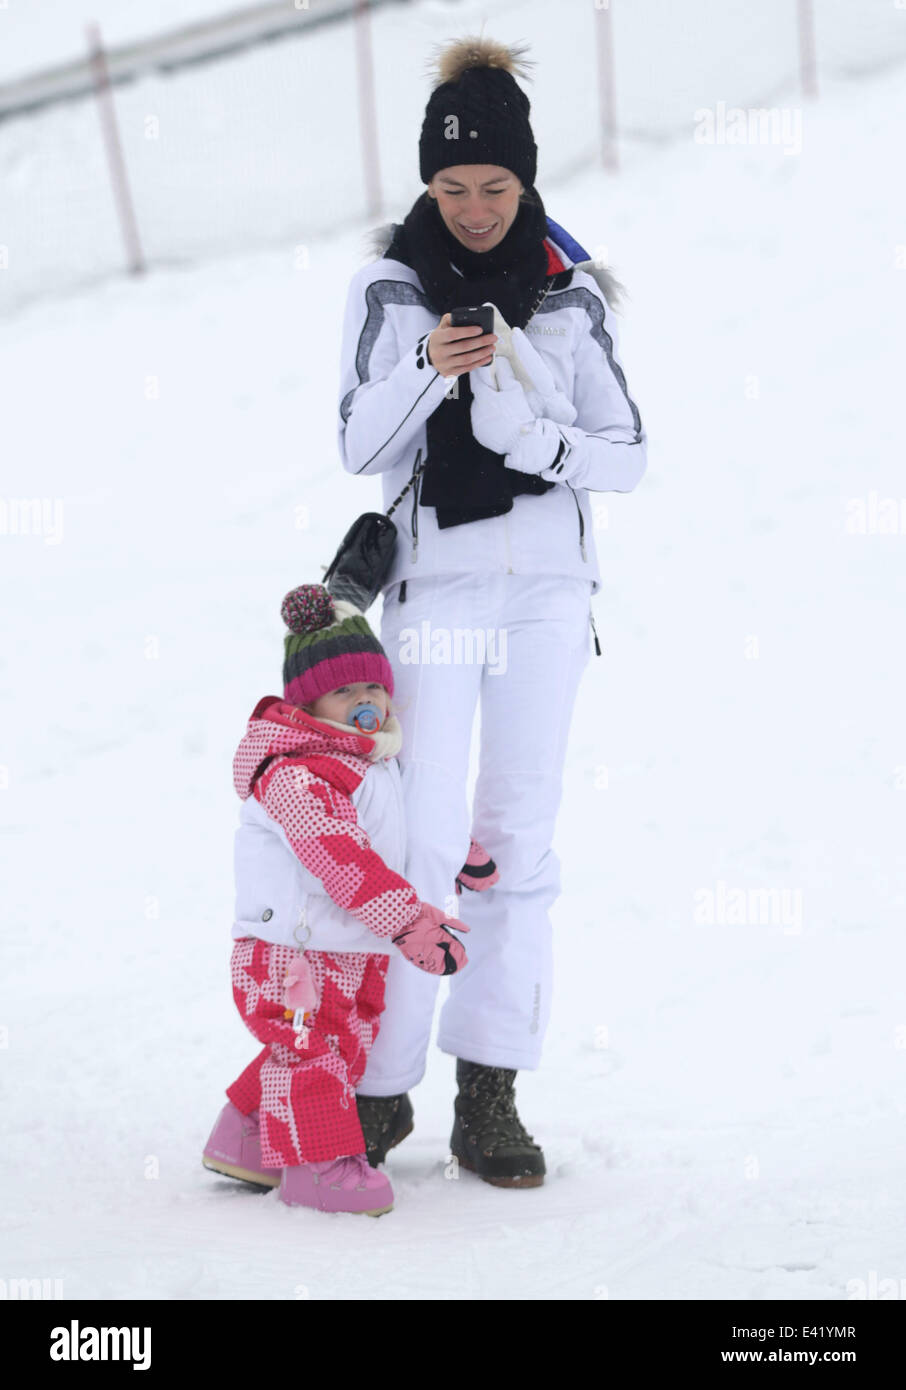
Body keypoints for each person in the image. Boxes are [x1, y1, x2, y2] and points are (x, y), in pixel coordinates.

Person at [337, 36, 647, 1187]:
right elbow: (356, 443)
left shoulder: (571, 293)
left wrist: (540, 443)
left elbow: (627, 457)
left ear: (525, 181)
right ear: (427, 185)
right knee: (415, 836)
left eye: (494, 187)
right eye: (451, 187)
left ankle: (491, 1088)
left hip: (550, 600)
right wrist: (426, 364)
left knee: (513, 838)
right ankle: (379, 1085)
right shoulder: (389, 288)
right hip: (439, 592)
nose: (472, 209)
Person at [201, 583, 487, 1214]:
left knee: (328, 1046)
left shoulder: (371, 764)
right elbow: (342, 859)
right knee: (312, 1054)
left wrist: (457, 850)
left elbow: (398, 827)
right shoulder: (294, 772)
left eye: (373, 687)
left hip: (344, 947)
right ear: (308, 703)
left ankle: (244, 1138)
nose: (365, 701)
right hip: (290, 954)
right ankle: (317, 1169)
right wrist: (411, 921)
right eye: (344, 690)